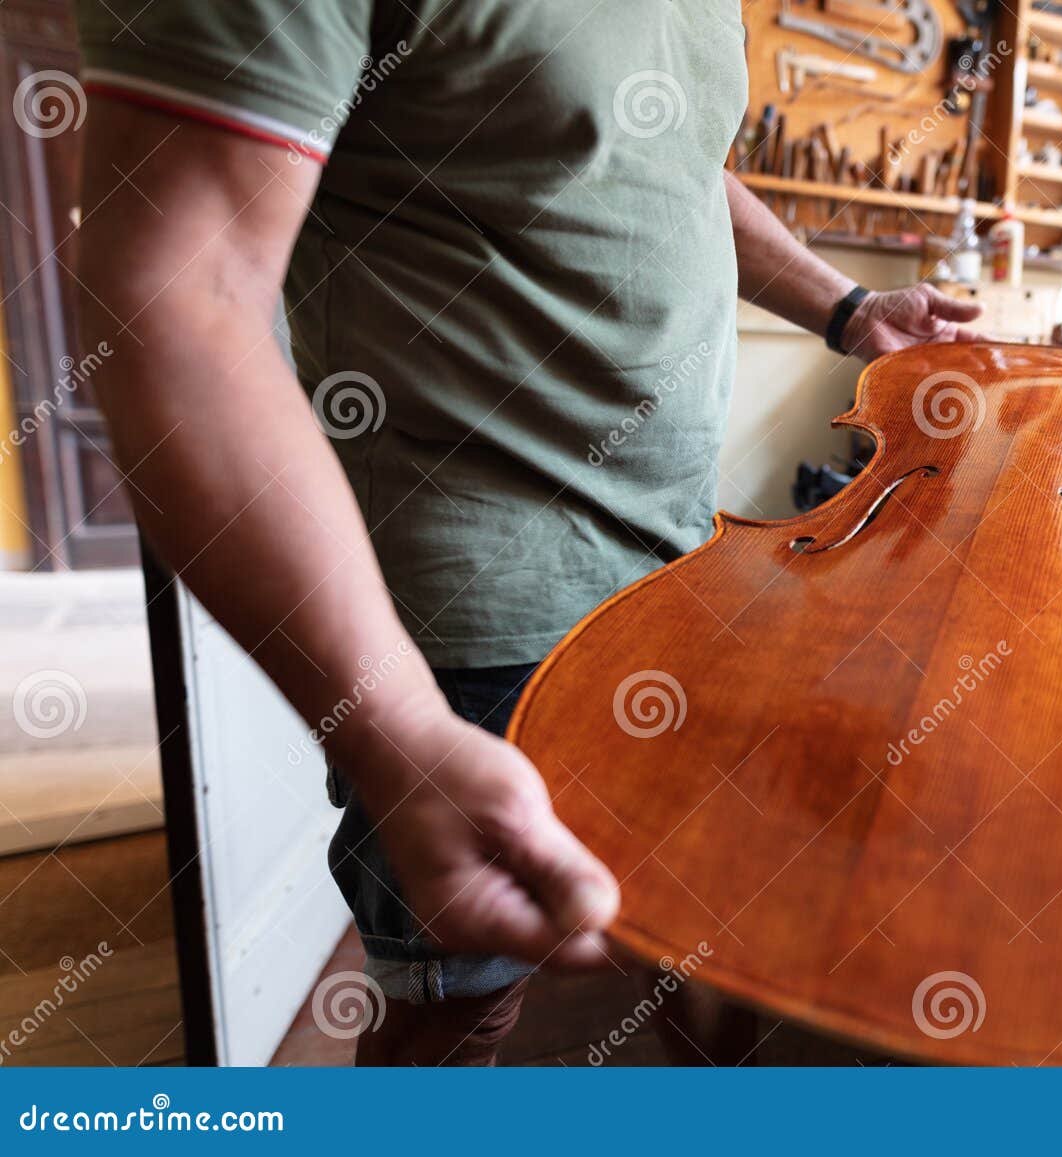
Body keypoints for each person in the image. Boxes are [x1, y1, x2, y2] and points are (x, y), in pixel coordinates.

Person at [73, 1, 983, 1064]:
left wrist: (846, 308)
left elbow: (652, 154)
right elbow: (175, 306)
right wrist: (397, 731)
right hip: (478, 606)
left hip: (680, 572)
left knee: (677, 956)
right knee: (456, 1010)